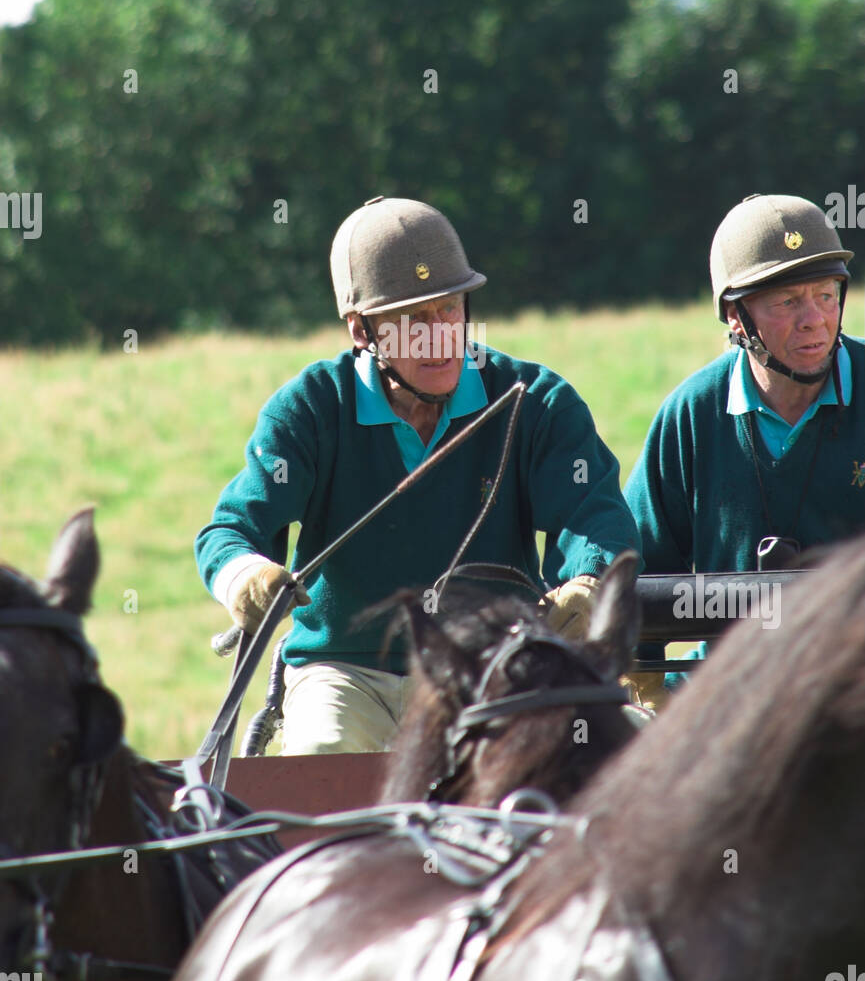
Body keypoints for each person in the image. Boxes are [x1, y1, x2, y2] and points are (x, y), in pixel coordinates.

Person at [195, 196, 642, 754]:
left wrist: (588, 582)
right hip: (342, 673)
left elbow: (596, 516)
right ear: (361, 330)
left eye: (450, 309)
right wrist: (245, 577)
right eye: (411, 320)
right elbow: (228, 531)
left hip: (493, 663)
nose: (438, 335)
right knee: (320, 759)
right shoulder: (309, 408)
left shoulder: (538, 402)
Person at [625, 193, 864, 697]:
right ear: (736, 316)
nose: (815, 320)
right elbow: (633, 574)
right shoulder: (691, 412)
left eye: (826, 294)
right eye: (787, 302)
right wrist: (647, 688)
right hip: (730, 699)